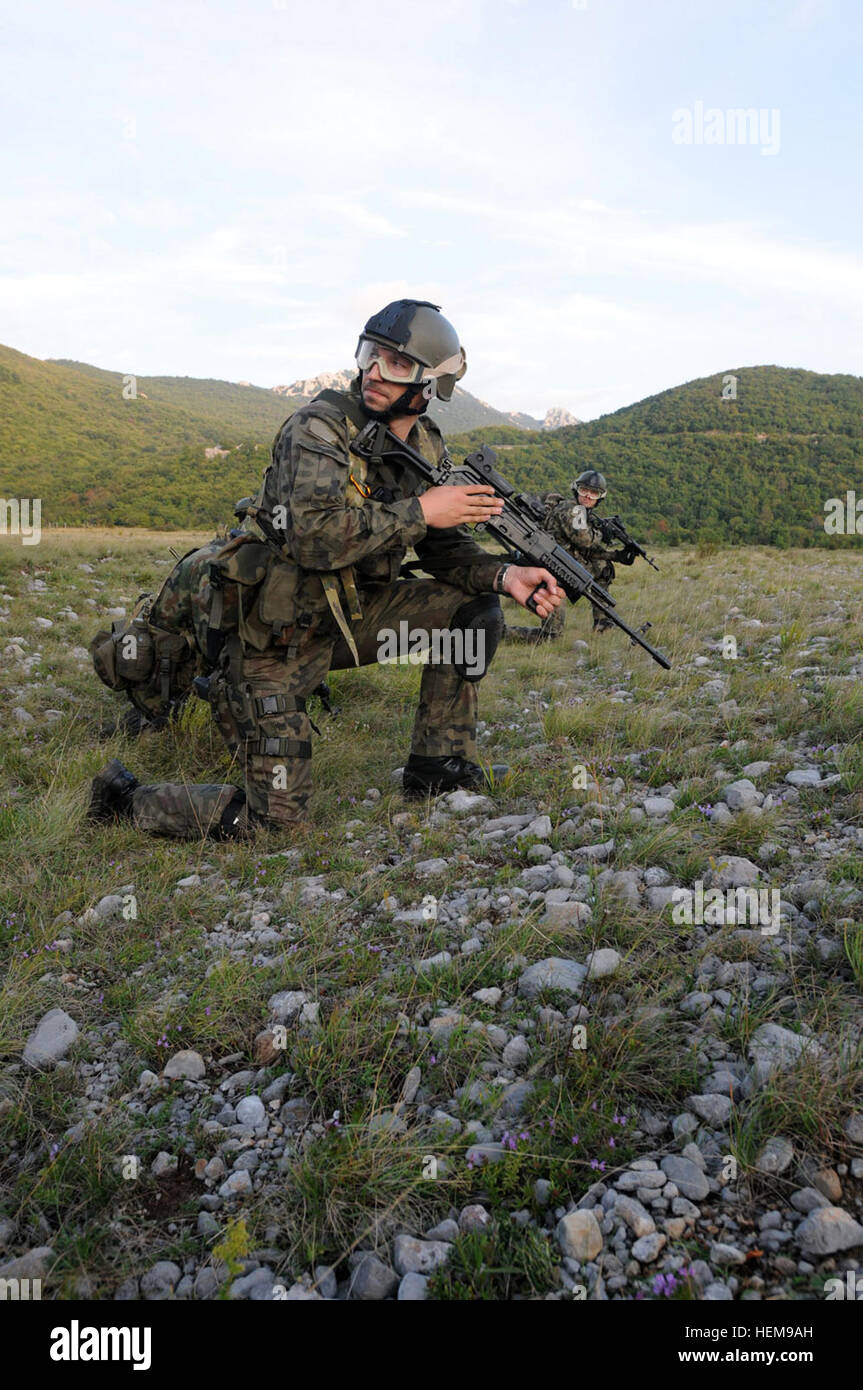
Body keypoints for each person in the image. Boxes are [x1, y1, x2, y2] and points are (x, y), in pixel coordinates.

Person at [88, 299, 563, 839]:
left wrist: (504, 577)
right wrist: (422, 509)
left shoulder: (426, 443)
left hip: (347, 620)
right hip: (271, 638)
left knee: (473, 613)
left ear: (432, 384)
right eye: (370, 355)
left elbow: (442, 549)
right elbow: (312, 536)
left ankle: (438, 767)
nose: (374, 373)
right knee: (276, 824)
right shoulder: (317, 427)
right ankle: (126, 800)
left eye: (397, 364)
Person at [506, 469, 636, 642]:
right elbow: (585, 540)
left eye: (594, 493)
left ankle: (603, 624)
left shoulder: (582, 513)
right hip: (550, 570)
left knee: (603, 569)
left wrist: (616, 556)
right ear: (576, 490)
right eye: (584, 490)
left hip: (562, 567)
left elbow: (587, 552)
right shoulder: (573, 510)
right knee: (551, 638)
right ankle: (502, 632)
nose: (588, 496)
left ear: (600, 498)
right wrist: (603, 534)